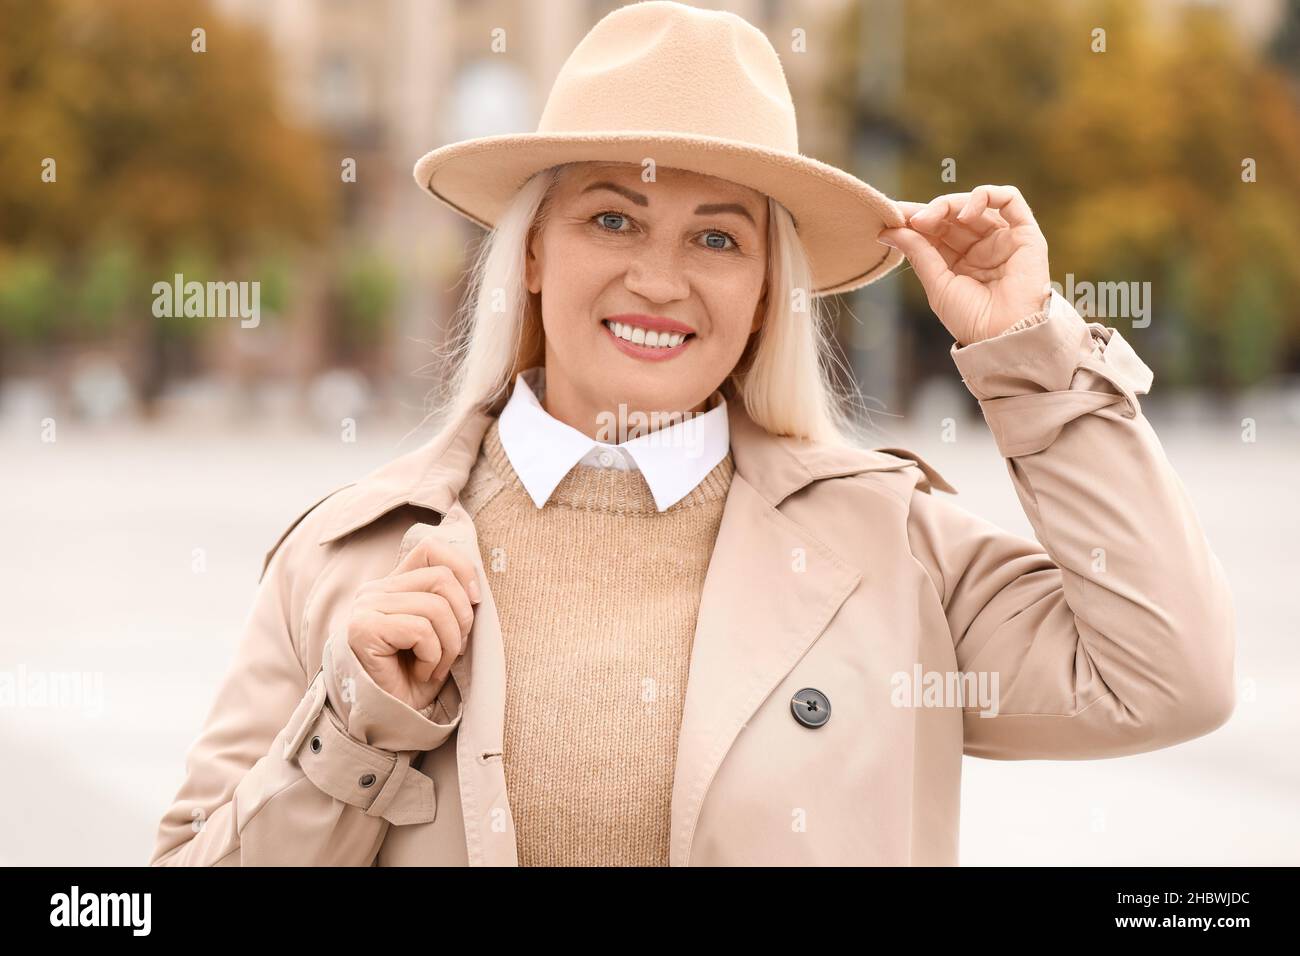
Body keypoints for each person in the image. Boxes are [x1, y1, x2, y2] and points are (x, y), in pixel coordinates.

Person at [150, 0, 1235, 867]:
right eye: (611, 217)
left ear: (766, 290)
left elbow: (1167, 673)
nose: (658, 278)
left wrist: (1031, 360)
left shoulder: (889, 550)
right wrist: (352, 723)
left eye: (717, 236)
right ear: (532, 251)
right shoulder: (350, 557)